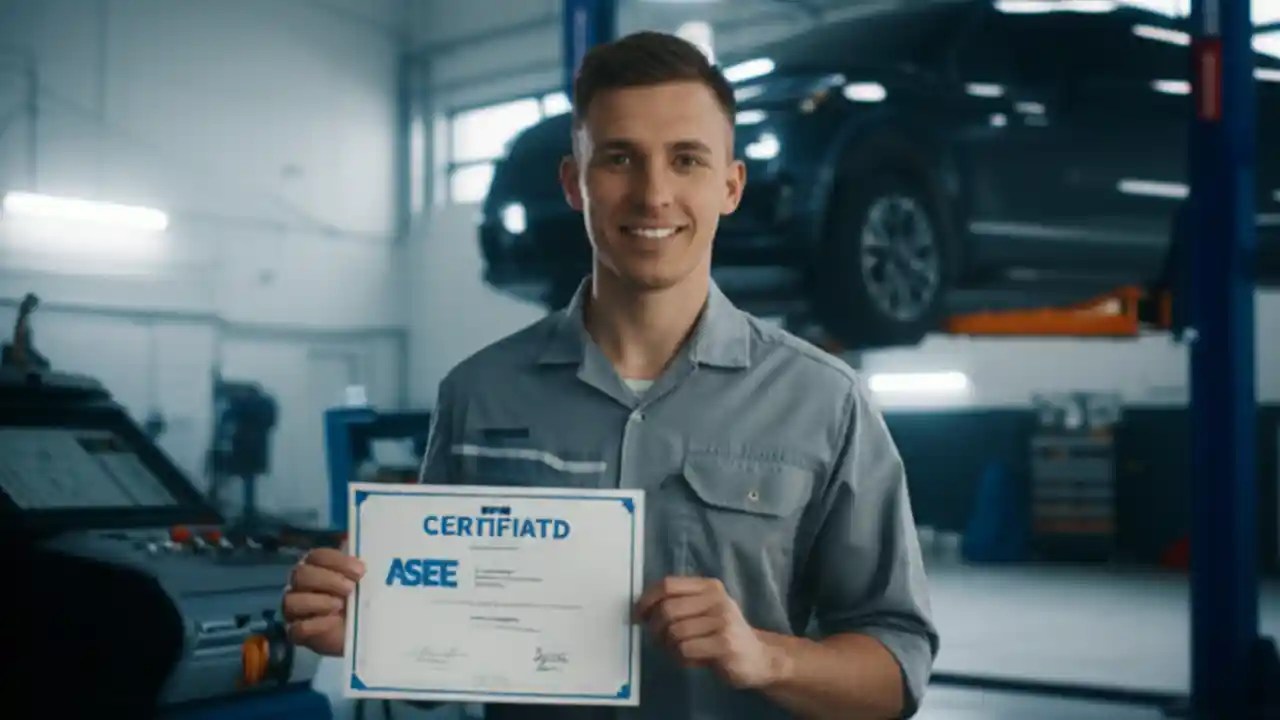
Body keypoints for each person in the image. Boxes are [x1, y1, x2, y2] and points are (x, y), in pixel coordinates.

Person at [283, 30, 939, 720]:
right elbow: (446, 662)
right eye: (620, 158)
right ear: (575, 182)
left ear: (731, 185)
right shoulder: (479, 394)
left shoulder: (823, 403)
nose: (654, 194)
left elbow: (894, 672)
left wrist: (766, 656)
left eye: (687, 160)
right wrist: (368, 633)